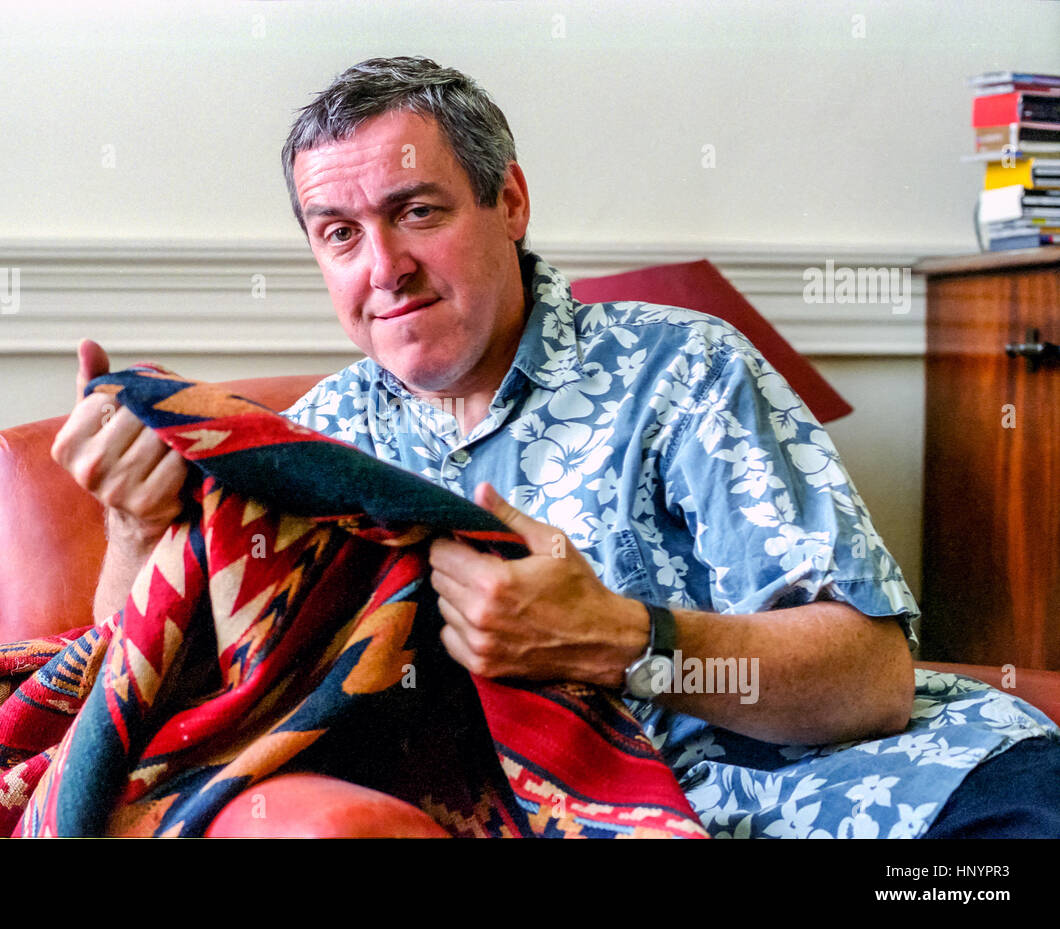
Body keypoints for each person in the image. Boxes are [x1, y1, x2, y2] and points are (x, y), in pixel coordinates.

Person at [51, 57, 1060, 838]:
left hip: (906, 800)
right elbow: (155, 702)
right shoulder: (312, 443)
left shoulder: (684, 368)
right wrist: (136, 526)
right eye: (339, 233)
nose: (386, 267)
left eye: (417, 212)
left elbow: (872, 680)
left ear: (510, 203)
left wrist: (622, 637)